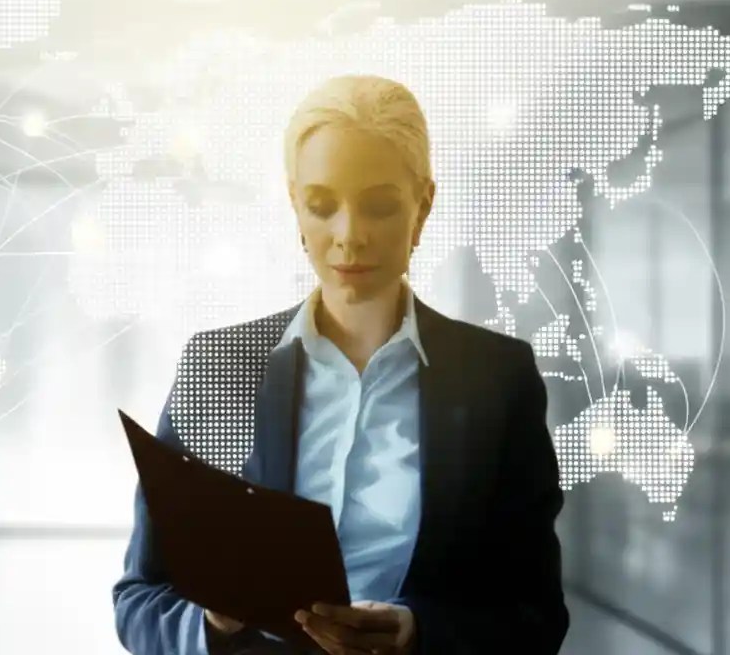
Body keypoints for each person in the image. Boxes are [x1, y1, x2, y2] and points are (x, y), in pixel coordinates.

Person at [112, 74, 569, 655]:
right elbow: (140, 599)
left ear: (423, 206)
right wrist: (213, 624)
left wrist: (418, 634)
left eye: (379, 205)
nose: (349, 236)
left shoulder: (497, 380)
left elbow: (535, 615)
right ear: (295, 206)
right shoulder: (222, 366)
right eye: (322, 206)